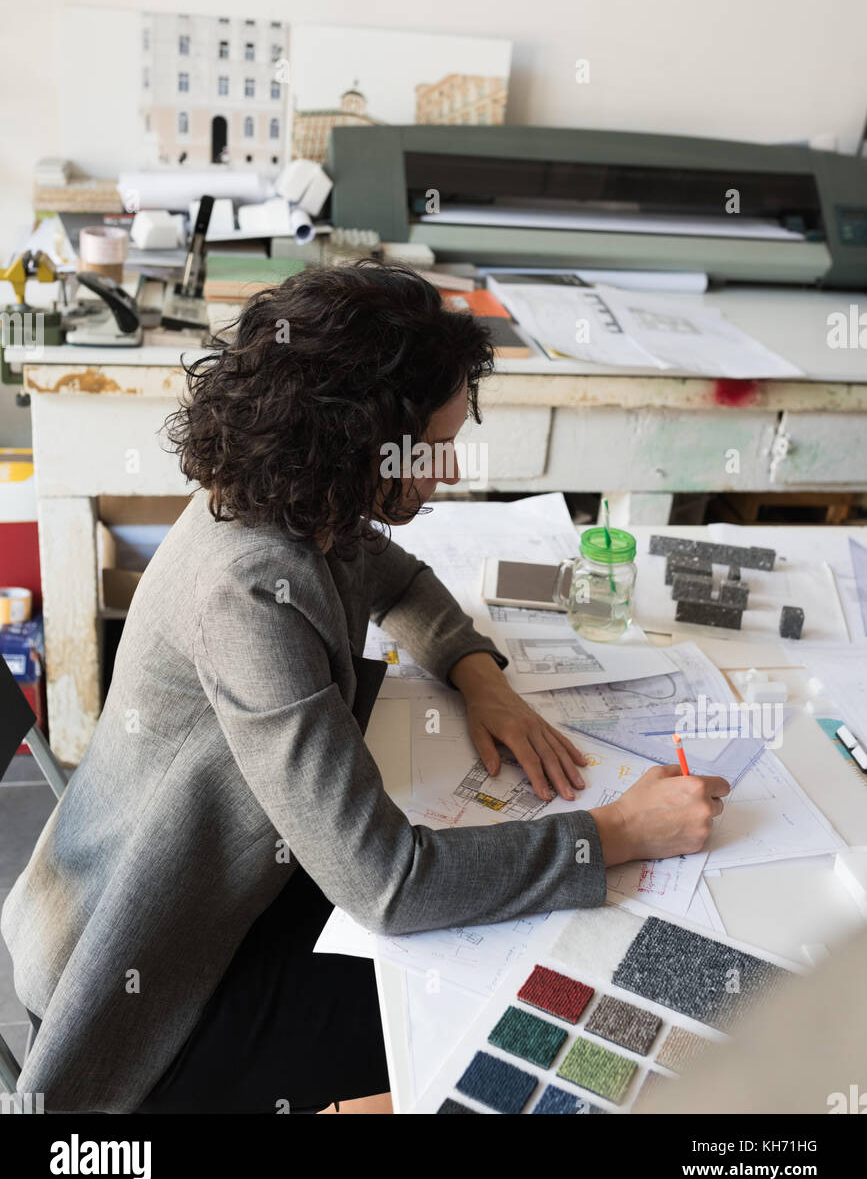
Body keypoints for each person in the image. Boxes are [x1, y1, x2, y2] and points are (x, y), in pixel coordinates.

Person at [1, 262, 729, 1115]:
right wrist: (612, 832)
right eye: (436, 446)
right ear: (356, 444)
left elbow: (402, 580)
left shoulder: (295, 497)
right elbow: (390, 886)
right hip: (153, 973)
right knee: (518, 1000)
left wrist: (474, 672)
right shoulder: (249, 588)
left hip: (212, 876)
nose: (449, 470)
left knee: (510, 916)